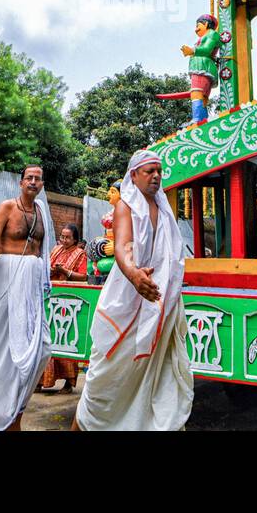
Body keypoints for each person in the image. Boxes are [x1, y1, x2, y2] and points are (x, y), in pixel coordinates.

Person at [74, 150, 193, 431]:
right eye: (149, 171)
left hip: (159, 304)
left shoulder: (165, 211)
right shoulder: (125, 206)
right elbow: (123, 247)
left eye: (159, 171)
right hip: (126, 301)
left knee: (159, 386)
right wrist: (134, 274)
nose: (156, 176)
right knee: (102, 385)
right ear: (134, 175)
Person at [0, 165, 53, 430]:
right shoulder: (7, 207)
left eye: (38, 179)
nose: (33, 181)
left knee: (41, 348)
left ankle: (15, 409)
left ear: (41, 184)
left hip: (31, 288)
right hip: (7, 281)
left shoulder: (40, 212)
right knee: (0, 346)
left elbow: (41, 251)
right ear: (20, 182)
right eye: (29, 177)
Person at [40, 222, 86, 393]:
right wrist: (52, 271)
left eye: (68, 237)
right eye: (62, 237)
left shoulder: (80, 254)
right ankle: (43, 380)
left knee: (66, 338)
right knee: (48, 339)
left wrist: (66, 272)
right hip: (51, 298)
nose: (64, 240)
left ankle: (68, 382)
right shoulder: (56, 250)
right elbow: (46, 269)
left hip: (69, 300)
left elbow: (83, 277)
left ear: (75, 239)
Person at [180, 14, 222, 125]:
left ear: (206, 24)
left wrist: (192, 51)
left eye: (198, 25)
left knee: (196, 93)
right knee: (202, 96)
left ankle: (198, 118)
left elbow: (207, 49)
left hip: (203, 67)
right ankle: (203, 120)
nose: (196, 29)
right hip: (202, 67)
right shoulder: (204, 37)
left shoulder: (212, 34)